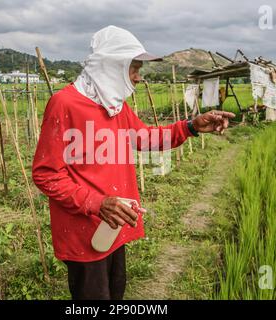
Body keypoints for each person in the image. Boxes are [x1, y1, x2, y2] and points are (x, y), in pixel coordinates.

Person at [32, 25, 234, 300]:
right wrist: (97, 203)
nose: (138, 78)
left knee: (116, 292)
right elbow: (47, 174)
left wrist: (190, 127)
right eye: (134, 68)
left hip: (113, 224)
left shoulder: (114, 106)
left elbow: (145, 138)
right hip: (84, 229)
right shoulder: (64, 104)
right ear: (111, 66)